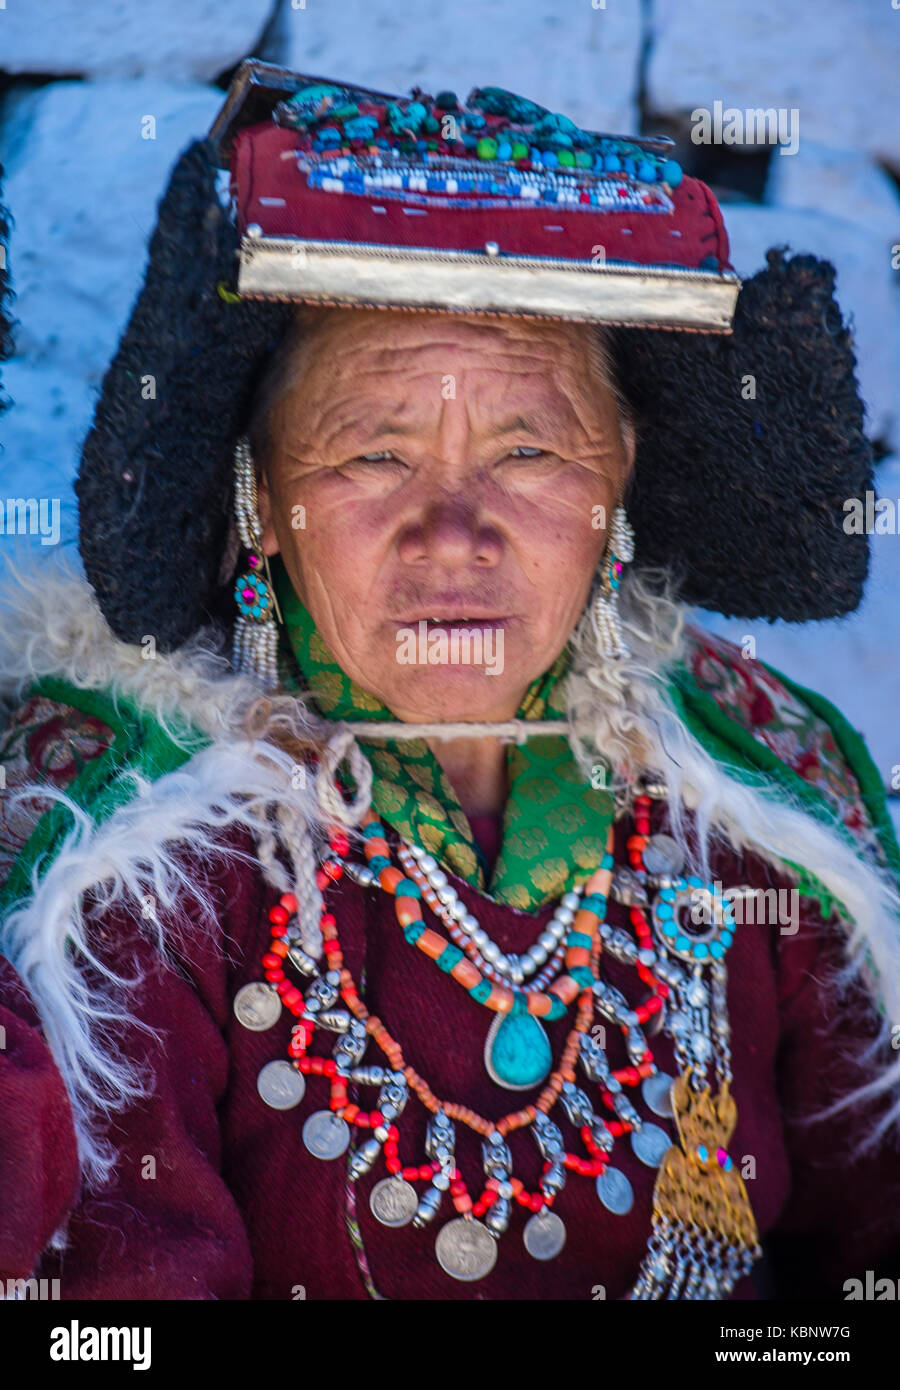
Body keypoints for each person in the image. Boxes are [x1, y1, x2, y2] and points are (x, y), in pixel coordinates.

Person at [1, 62, 900, 1301]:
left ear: (618, 490)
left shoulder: (766, 814)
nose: (454, 532)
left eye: (530, 451)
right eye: (374, 452)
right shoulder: (136, 857)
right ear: (261, 496)